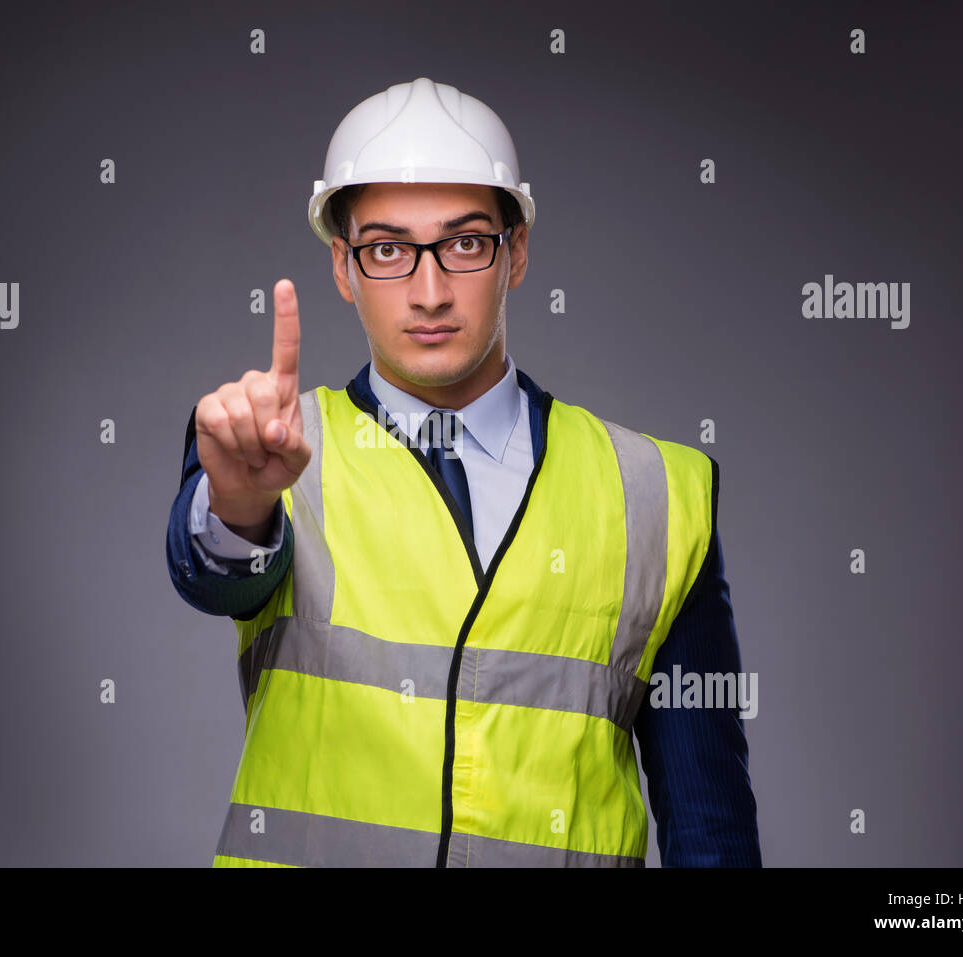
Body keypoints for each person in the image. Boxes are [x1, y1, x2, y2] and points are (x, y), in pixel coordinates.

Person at [166, 77, 761, 867]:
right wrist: (240, 506)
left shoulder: (653, 492)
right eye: (387, 250)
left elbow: (708, 827)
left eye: (466, 243)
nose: (430, 290)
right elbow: (217, 579)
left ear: (515, 252)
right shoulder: (270, 453)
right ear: (342, 267)